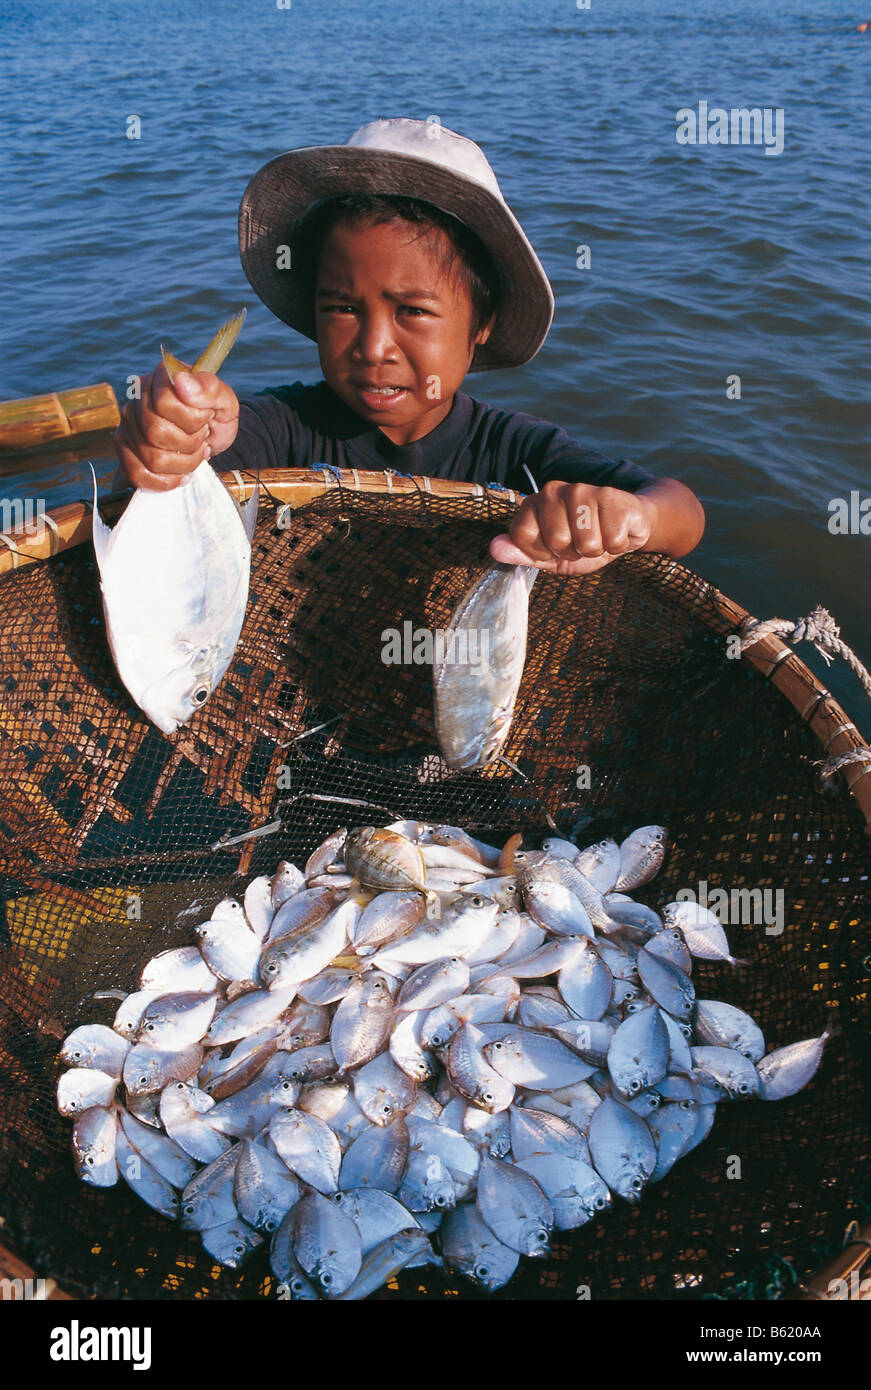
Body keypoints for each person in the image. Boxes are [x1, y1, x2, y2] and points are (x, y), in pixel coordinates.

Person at [114, 119, 704, 575]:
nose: (373, 347)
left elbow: (682, 513)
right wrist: (174, 434)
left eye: (413, 312)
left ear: (483, 322)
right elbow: (162, 494)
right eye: (342, 307)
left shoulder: (515, 450)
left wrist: (633, 517)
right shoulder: (280, 431)